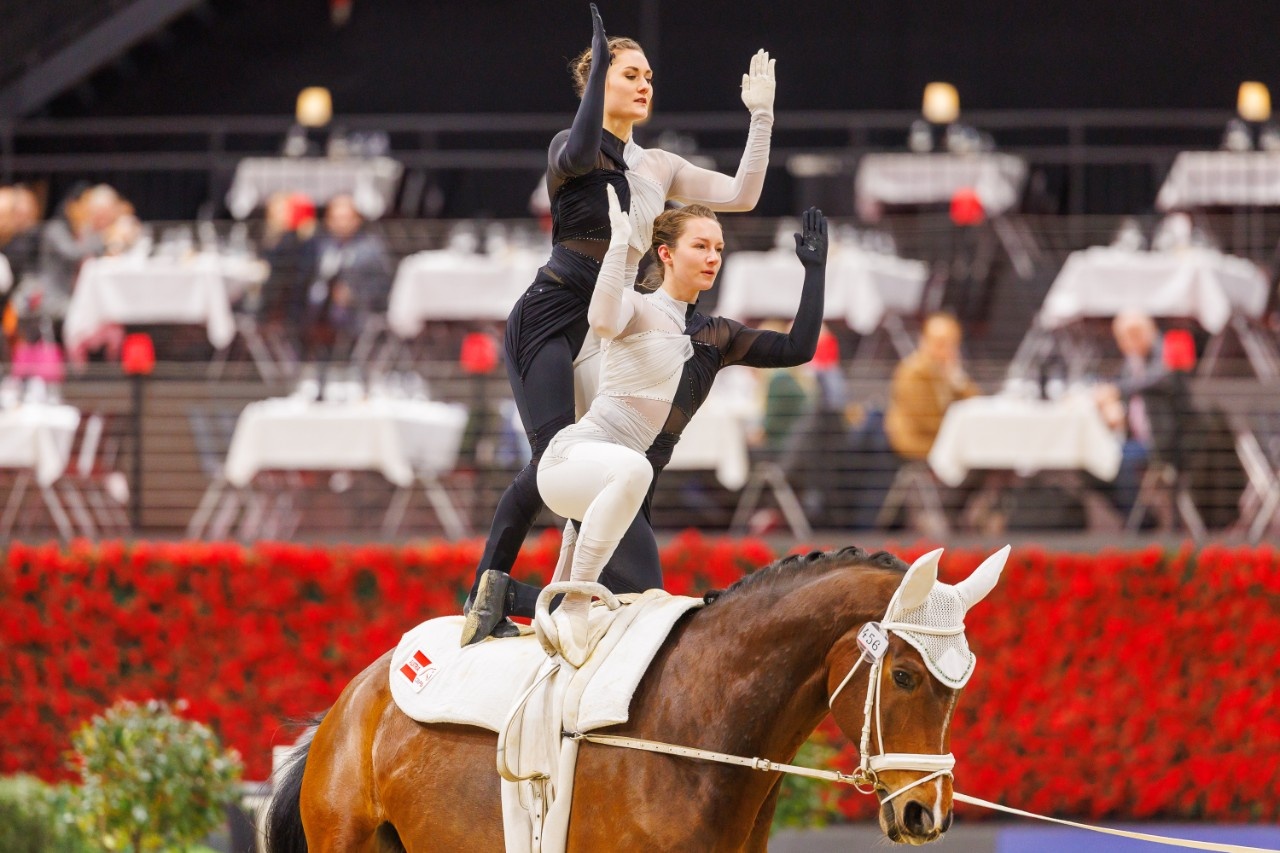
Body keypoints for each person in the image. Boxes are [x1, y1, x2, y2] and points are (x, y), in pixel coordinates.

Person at [466, 3, 776, 624]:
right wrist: (599, 61)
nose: (644, 86)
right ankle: (484, 593)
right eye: (629, 74)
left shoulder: (659, 165)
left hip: (608, 330)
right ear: (596, 83)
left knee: (605, 464)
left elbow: (742, 194)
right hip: (551, 319)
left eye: (648, 77)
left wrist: (762, 115)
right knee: (553, 458)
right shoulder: (569, 147)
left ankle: (560, 598)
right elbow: (586, 144)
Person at [464, 196, 828, 653]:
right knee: (647, 602)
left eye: (719, 248)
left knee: (631, 605)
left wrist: (815, 271)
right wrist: (618, 245)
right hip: (583, 464)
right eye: (700, 246)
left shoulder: (718, 336)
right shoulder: (635, 308)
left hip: (629, 488)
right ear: (666, 253)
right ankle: (545, 601)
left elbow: (798, 348)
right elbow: (601, 319)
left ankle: (508, 596)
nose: (713, 257)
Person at [300, 193, 392, 361]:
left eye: (346, 218)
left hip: (359, 313)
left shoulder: (371, 249)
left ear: (357, 220)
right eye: (335, 218)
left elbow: (385, 285)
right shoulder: (320, 246)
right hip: (318, 314)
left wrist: (354, 295)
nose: (340, 223)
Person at [884, 312, 979, 462]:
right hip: (918, 441)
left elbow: (976, 406)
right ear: (924, 342)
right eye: (941, 344)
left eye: (952, 344)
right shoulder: (912, 372)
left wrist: (960, 382)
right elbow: (926, 421)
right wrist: (960, 427)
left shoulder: (949, 372)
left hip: (945, 438)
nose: (947, 351)